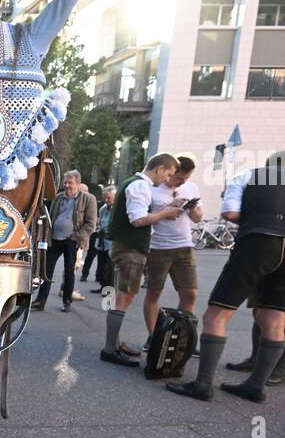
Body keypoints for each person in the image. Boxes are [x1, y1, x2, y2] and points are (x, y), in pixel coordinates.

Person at [167, 150, 285, 403]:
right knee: (273, 318)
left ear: (268, 165)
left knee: (216, 315)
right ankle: (256, 386)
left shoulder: (247, 176)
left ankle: (202, 384)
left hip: (256, 244)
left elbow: (230, 214)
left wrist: (262, 219)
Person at [99, 154, 181, 366]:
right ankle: (110, 349)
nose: (167, 179)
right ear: (160, 168)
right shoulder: (141, 186)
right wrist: (166, 213)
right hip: (130, 248)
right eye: (169, 174)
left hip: (126, 247)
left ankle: (114, 344)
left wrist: (165, 210)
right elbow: (137, 220)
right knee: (124, 297)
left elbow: (138, 216)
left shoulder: (135, 184)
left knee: (122, 296)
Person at [141, 155, 203, 351]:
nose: (183, 182)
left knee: (190, 294)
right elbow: (141, 218)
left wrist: (191, 208)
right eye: (179, 178)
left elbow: (197, 218)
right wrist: (166, 210)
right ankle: (154, 337)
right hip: (158, 248)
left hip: (185, 246)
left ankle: (182, 337)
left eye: (186, 178)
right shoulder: (152, 189)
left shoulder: (190, 188)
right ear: (170, 172)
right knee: (153, 293)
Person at [32, 169, 97, 313]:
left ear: (78, 183)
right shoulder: (58, 197)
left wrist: (75, 236)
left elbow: (91, 224)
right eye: (65, 182)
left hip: (72, 240)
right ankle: (40, 301)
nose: (67, 185)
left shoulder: (88, 199)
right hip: (54, 239)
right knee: (46, 271)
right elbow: (52, 218)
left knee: (69, 272)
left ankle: (67, 301)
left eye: (70, 183)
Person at [81, 185, 115, 288]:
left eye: (109, 197)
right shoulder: (103, 208)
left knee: (110, 266)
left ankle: (109, 287)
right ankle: (103, 286)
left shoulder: (118, 209)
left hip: (112, 240)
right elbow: (99, 221)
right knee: (101, 264)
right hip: (101, 238)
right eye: (105, 197)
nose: (106, 200)